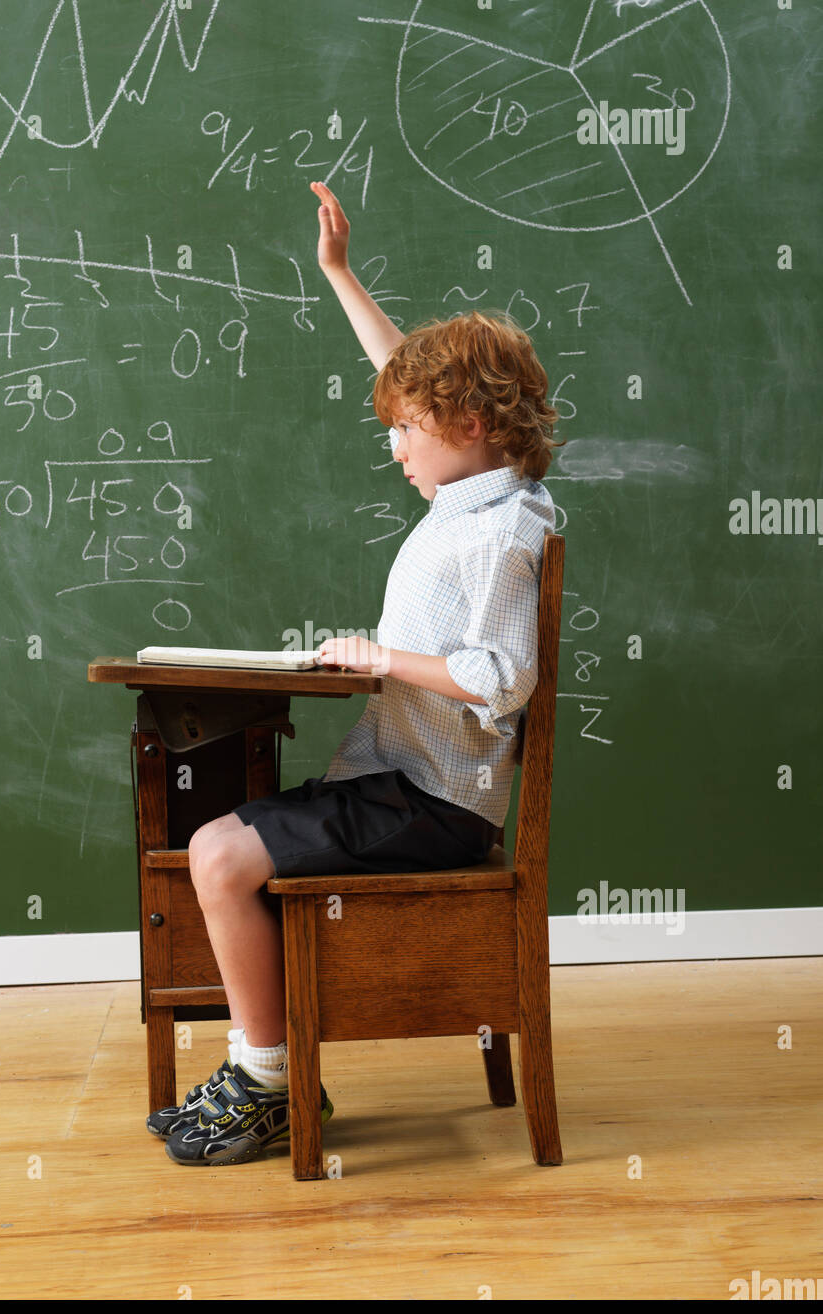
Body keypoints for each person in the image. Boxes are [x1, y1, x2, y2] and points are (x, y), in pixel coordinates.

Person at [150, 181, 563, 1166]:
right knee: (218, 841)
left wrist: (381, 659)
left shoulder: (502, 529)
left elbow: (504, 677)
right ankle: (265, 1067)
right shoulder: (476, 490)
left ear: (465, 422)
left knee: (216, 852)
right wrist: (338, 274)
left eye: (406, 431)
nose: (393, 447)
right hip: (397, 786)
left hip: (431, 805)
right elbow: (402, 376)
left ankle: (267, 1081)